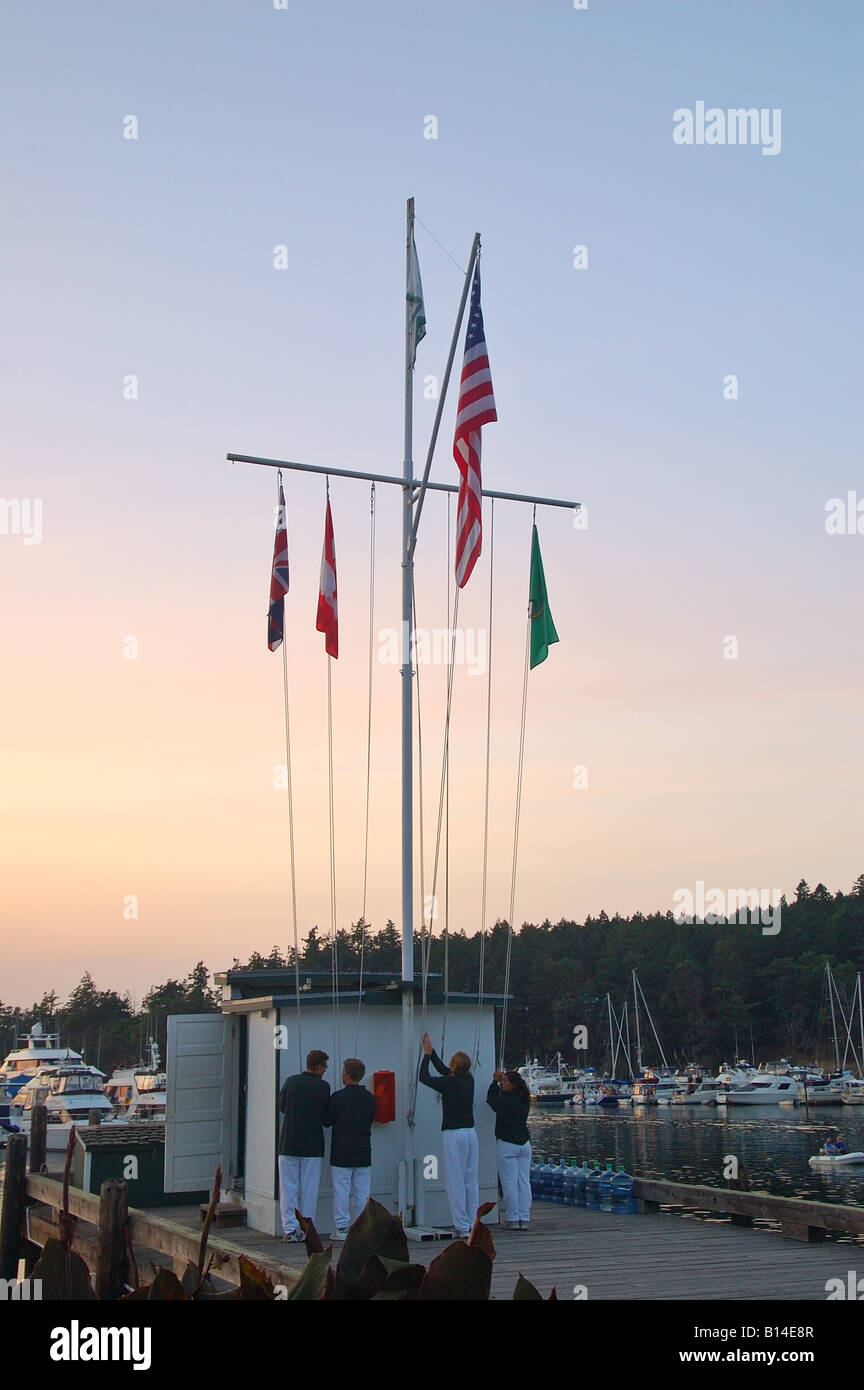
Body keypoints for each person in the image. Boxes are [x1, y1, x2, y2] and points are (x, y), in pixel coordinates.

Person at [419, 1032, 477, 1238]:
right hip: (471, 1133)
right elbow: (444, 1070)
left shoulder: (449, 1083)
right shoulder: (468, 1079)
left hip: (454, 1133)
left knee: (455, 1180)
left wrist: (426, 1056)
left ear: (454, 1065)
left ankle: (461, 1226)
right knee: (470, 1178)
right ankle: (471, 1222)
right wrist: (431, 1051)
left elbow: (423, 1077)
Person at [277, 1048, 330, 1241]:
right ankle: (307, 1229)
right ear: (318, 1067)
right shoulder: (324, 1087)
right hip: (313, 1144)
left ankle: (289, 1229)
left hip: (289, 1142)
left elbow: (282, 1107)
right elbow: (326, 1117)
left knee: (288, 1187)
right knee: (309, 1188)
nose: (325, 1070)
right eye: (324, 1066)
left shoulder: (291, 1082)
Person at [323, 1057, 377, 1241]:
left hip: (342, 1149)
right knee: (362, 1191)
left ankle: (342, 1227)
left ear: (346, 1075)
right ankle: (362, 1228)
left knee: (342, 1190)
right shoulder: (370, 1098)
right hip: (363, 1148)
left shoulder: (338, 1097)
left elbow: (327, 1120)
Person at [486, 1069, 532, 1230]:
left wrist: (493, 1083)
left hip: (507, 1144)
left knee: (509, 1183)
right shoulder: (524, 1099)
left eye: (504, 1081)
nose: (502, 1083)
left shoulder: (504, 1100)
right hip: (524, 1144)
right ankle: (524, 1218)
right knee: (524, 1183)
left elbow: (491, 1100)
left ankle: (513, 1218)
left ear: (512, 1085)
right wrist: (499, 1084)